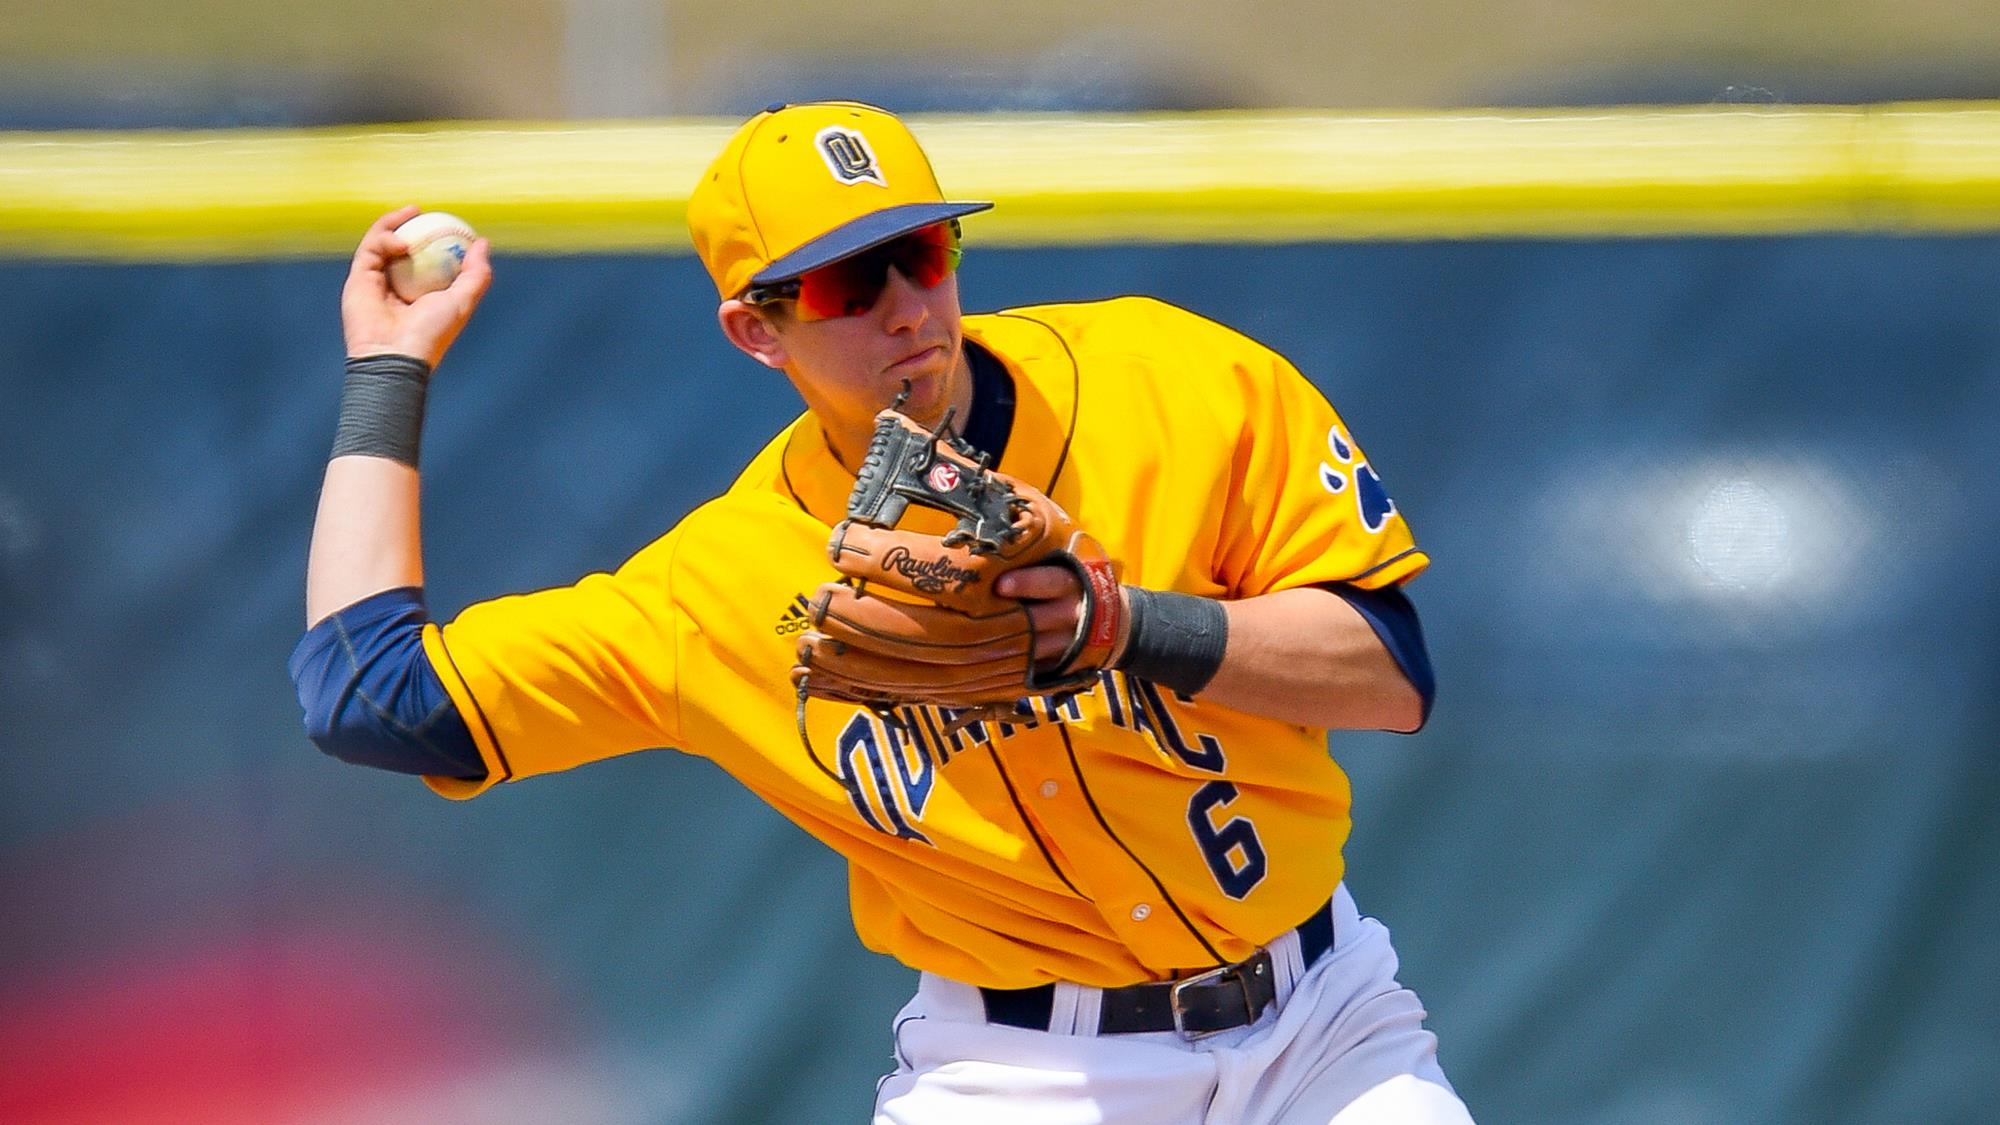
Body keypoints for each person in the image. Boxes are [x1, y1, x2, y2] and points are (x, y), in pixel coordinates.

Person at [291, 100, 1474, 1123]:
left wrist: (1119, 630)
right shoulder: (720, 586)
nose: (907, 306)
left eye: (922, 251)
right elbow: (368, 697)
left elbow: (1387, 673)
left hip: (1322, 1025)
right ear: (756, 330)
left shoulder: (1174, 384)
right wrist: (387, 374)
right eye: (846, 284)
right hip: (1020, 1073)